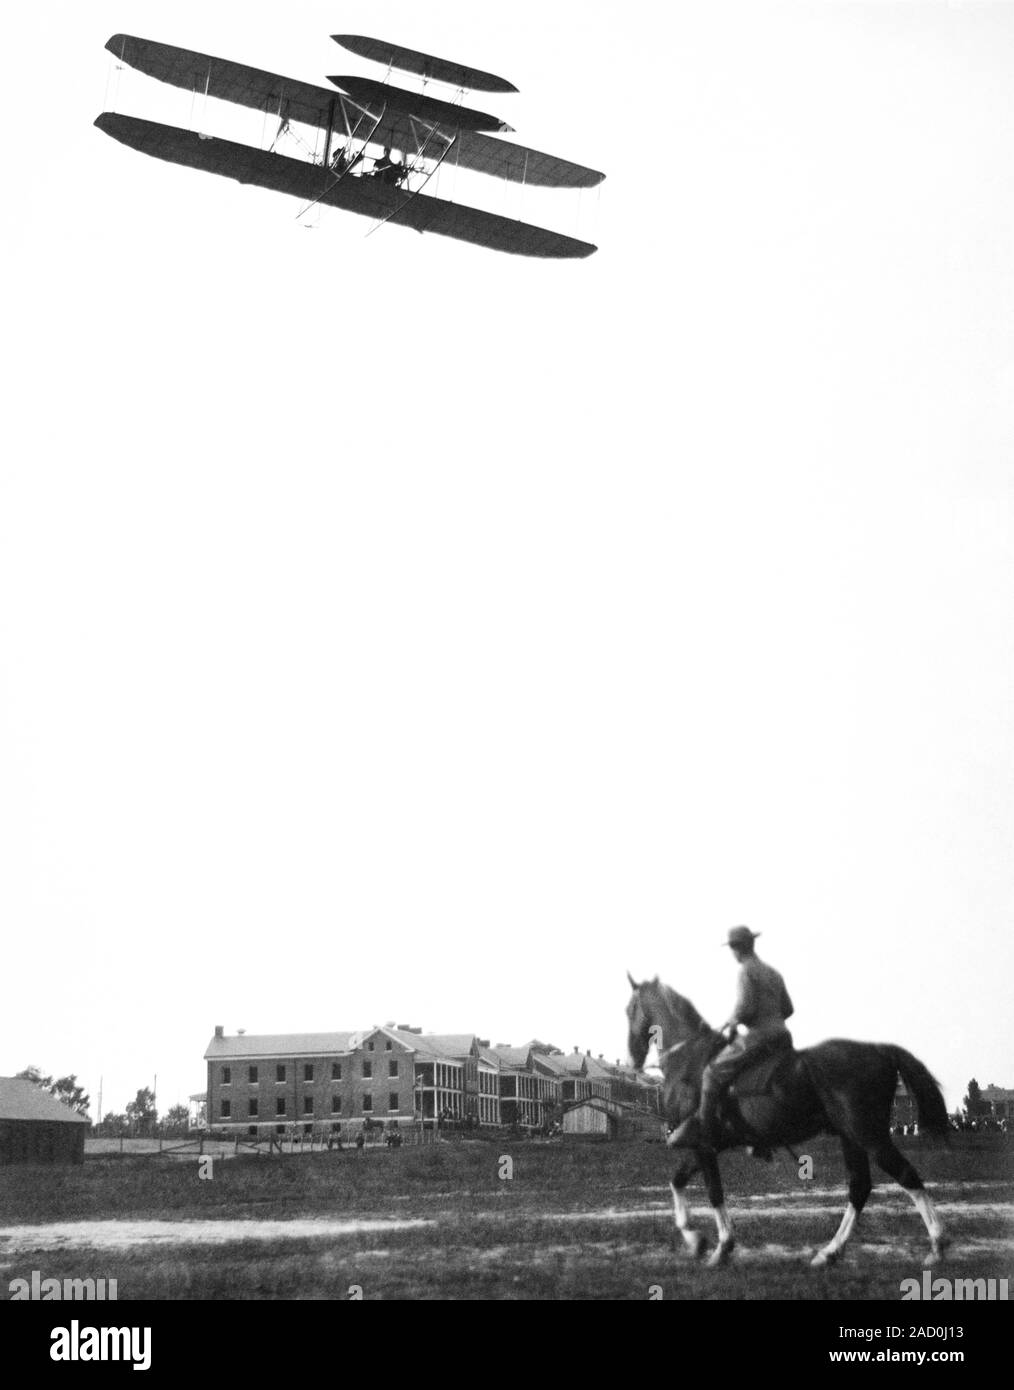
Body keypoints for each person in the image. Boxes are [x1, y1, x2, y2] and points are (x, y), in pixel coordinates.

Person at [670, 925, 794, 1151]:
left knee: (711, 1074)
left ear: (737, 949)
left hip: (760, 1037)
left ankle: (706, 1137)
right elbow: (788, 1009)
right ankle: (757, 1137)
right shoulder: (774, 973)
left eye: (733, 949)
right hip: (783, 1037)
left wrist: (733, 1021)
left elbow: (745, 1008)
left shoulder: (746, 971)